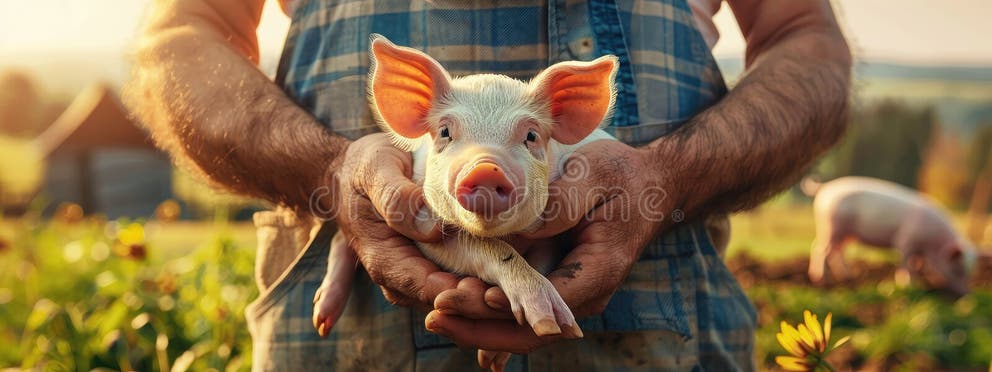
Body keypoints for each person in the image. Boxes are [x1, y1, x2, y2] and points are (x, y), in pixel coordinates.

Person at [125, 0, 851, 370]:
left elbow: (802, 32)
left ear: (570, 107)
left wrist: (665, 179)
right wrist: (325, 171)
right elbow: (183, 32)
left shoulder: (559, 116)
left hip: (671, 337)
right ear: (411, 101)